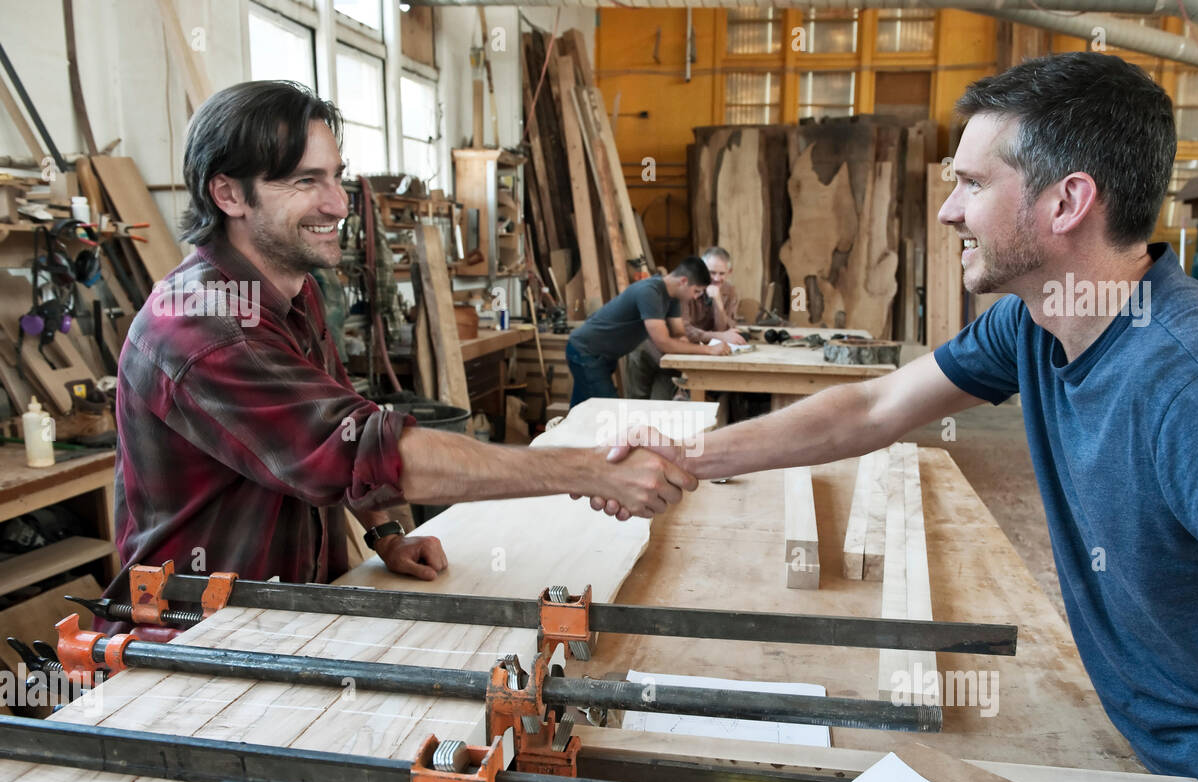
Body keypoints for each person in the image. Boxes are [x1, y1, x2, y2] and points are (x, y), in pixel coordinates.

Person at [583, 53, 1198, 782]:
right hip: (1150, 750)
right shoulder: (1042, 321)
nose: (950, 210)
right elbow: (874, 405)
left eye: (972, 183)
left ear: (1068, 201)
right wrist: (684, 455)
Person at [108, 80, 695, 608]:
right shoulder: (202, 326)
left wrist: (385, 531)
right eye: (305, 181)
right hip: (194, 636)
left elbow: (342, 419)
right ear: (229, 196)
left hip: (287, 611)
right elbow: (357, 450)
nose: (337, 203)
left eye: (335, 176)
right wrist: (589, 470)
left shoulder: (293, 291)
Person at [566, 258, 737, 407]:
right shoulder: (649, 292)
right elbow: (663, 342)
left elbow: (678, 332)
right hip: (586, 351)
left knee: (580, 410)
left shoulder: (673, 297)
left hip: (603, 356)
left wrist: (685, 343)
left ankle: (565, 443)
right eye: (696, 291)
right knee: (610, 413)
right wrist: (708, 350)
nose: (696, 297)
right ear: (684, 281)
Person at [626, 247, 743, 400]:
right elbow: (685, 330)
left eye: (721, 274)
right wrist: (719, 336)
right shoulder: (686, 288)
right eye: (711, 272)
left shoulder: (729, 291)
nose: (716, 278)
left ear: (729, 272)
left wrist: (718, 302)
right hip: (649, 349)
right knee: (637, 401)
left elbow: (727, 331)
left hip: (675, 357)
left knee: (660, 403)